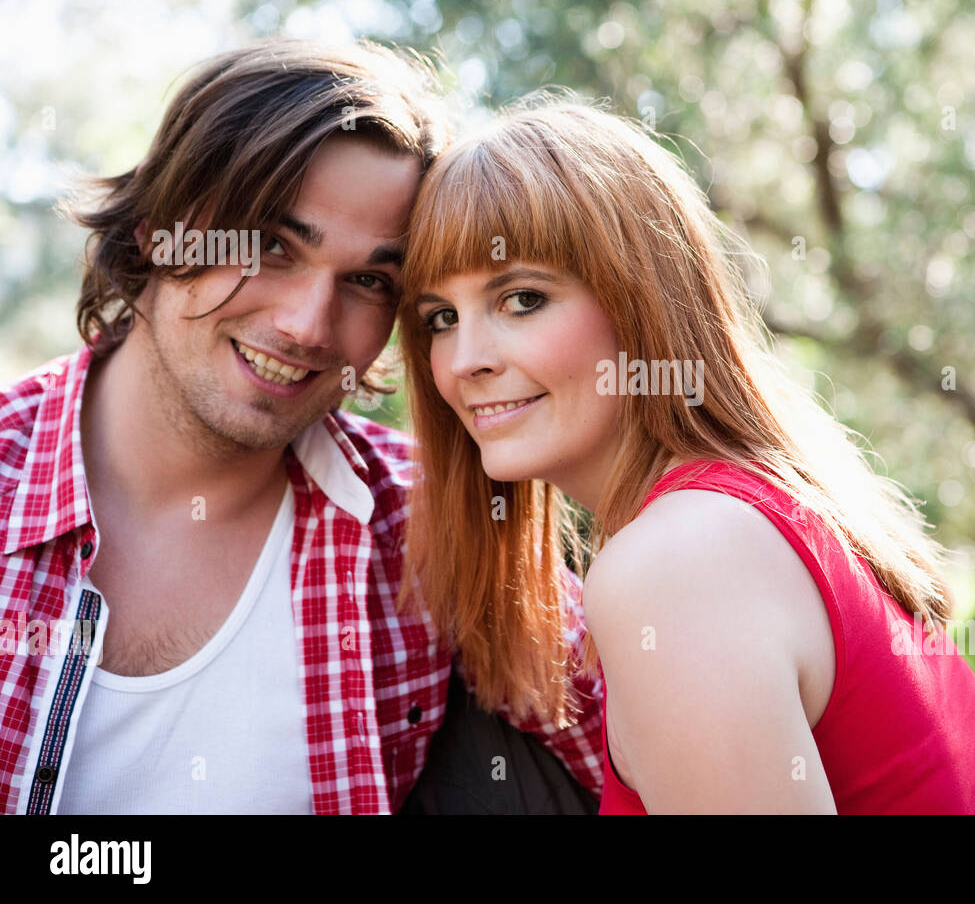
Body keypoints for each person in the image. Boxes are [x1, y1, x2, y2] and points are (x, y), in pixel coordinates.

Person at [0, 41, 602, 815]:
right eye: (272, 247)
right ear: (157, 228)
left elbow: (651, 725)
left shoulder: (423, 522)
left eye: (368, 281)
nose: (308, 326)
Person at [398, 96, 975, 814]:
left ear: (643, 302)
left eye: (523, 299)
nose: (464, 360)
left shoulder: (678, 563)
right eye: (441, 318)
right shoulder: (765, 508)